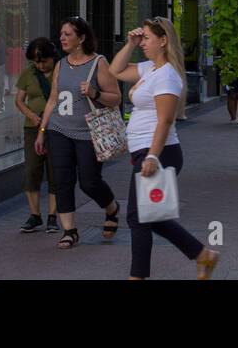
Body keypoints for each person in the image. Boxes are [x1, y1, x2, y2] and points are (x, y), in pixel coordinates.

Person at [111, 17, 220, 279]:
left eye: (147, 38)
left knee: (138, 218)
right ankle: (203, 255)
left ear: (163, 40)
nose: (143, 42)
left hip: (158, 152)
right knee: (151, 218)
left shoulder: (168, 76)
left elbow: (166, 120)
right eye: (143, 37)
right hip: (147, 151)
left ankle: (137, 276)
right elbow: (115, 71)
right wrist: (130, 44)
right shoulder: (150, 68)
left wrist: (151, 156)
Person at [34, 16, 122, 249]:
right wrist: (42, 131)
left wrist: (94, 93)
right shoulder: (60, 65)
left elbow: (116, 98)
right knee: (62, 181)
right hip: (59, 130)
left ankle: (111, 208)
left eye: (68, 34)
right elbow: (53, 100)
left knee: (89, 182)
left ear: (81, 38)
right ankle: (70, 231)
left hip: (88, 133)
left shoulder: (98, 63)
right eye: (61, 34)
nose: (62, 38)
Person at [16, 37, 60, 234]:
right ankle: (35, 215)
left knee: (55, 171)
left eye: (44, 61)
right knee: (32, 170)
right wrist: (32, 115)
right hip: (32, 128)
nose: (40, 65)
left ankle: (53, 216)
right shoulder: (29, 73)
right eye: (36, 61)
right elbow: (19, 100)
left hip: (57, 127)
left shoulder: (62, 70)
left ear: (52, 57)